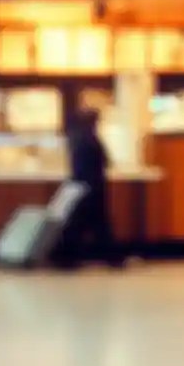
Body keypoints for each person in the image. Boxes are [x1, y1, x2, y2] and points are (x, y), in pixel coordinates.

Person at [57, 108, 125, 269]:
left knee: (79, 224)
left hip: (80, 186)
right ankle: (111, 258)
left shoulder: (77, 138)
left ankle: (67, 257)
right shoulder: (91, 140)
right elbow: (105, 161)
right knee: (98, 224)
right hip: (93, 186)